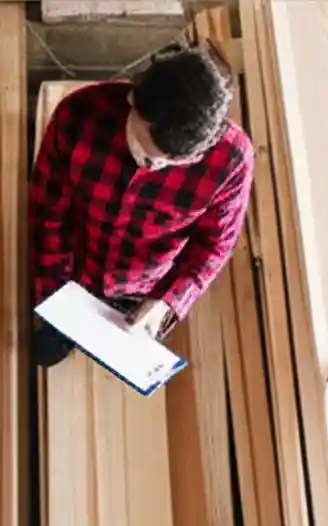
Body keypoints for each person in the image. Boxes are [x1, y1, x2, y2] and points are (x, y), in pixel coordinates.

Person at [29, 42, 253, 368]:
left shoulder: (232, 160)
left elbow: (215, 245)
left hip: (142, 290)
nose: (151, 168)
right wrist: (55, 294)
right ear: (133, 99)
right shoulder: (77, 116)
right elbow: (48, 212)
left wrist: (165, 302)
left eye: (169, 163)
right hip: (76, 266)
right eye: (145, 152)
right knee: (47, 347)